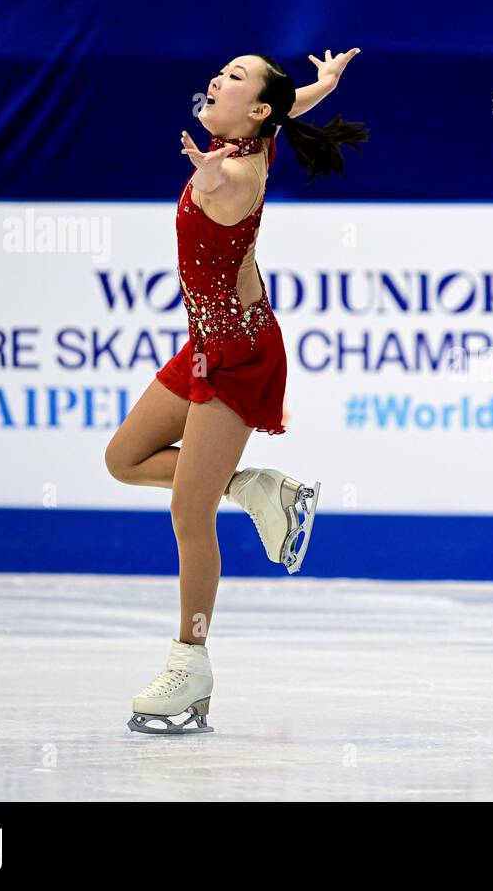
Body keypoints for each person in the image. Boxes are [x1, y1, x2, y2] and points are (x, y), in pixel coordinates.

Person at [104, 50, 368, 733]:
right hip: (207, 344)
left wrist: (212, 174)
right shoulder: (260, 132)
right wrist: (325, 85)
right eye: (222, 71)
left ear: (253, 111)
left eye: (235, 78)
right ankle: (254, 488)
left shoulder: (239, 170)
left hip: (239, 357)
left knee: (190, 516)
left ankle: (189, 669)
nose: (218, 79)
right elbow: (287, 107)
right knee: (125, 458)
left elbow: (231, 188)